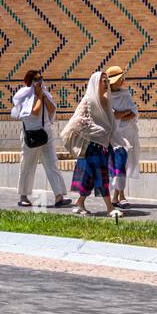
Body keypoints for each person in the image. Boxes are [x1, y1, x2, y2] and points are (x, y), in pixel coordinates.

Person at [59, 70, 120, 217]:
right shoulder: (88, 101)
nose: (106, 83)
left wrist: (109, 134)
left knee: (89, 177)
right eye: (103, 80)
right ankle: (110, 208)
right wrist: (98, 131)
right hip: (92, 147)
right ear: (95, 82)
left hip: (103, 145)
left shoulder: (106, 100)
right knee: (101, 176)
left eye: (107, 80)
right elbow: (77, 122)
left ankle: (79, 203)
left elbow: (110, 122)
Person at [10, 69, 71, 208]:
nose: (40, 81)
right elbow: (35, 112)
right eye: (37, 79)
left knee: (52, 163)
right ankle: (24, 196)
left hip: (46, 134)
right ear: (30, 82)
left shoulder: (44, 94)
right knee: (27, 165)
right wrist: (38, 96)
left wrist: (42, 96)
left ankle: (59, 196)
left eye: (41, 78)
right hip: (31, 136)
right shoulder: (25, 96)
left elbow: (51, 109)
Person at [106, 64, 140, 207]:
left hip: (129, 134)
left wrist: (122, 114)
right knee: (118, 164)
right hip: (114, 135)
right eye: (120, 79)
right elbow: (112, 116)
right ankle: (119, 196)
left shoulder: (125, 94)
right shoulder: (105, 97)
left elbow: (133, 113)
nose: (122, 81)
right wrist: (123, 113)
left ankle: (118, 195)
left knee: (123, 164)